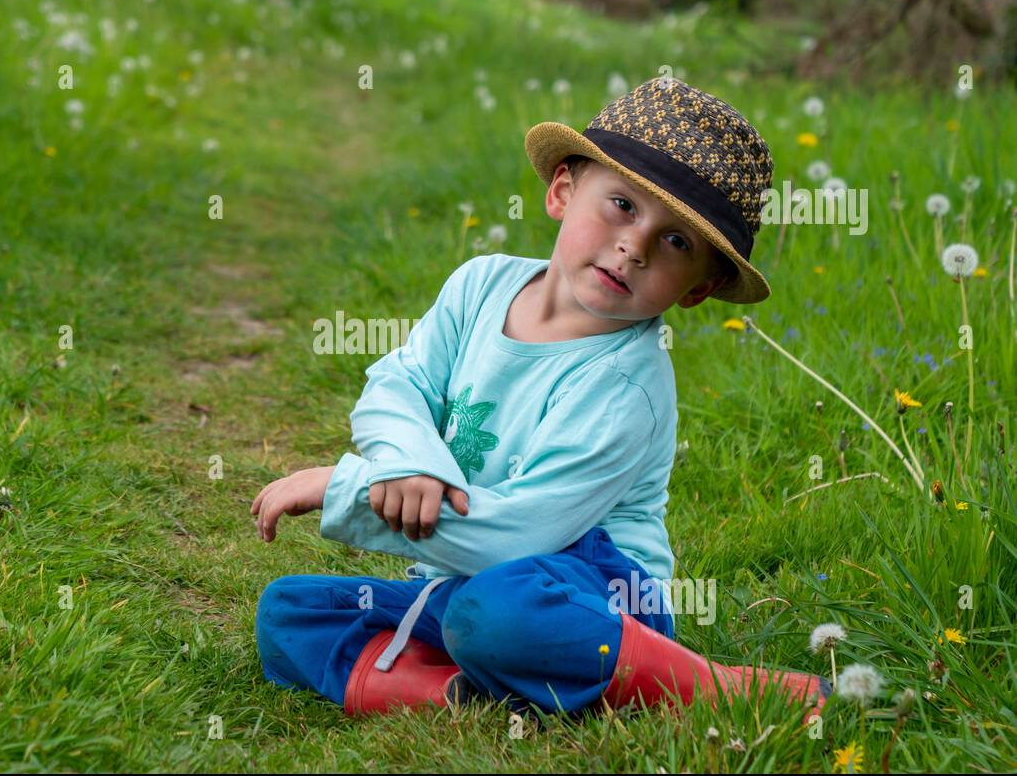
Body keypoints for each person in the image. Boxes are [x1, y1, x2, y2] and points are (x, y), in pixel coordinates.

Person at [251, 76, 829, 725]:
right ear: (562, 190)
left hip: (590, 590)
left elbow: (519, 539)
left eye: (675, 243)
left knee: (500, 611)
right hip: (463, 577)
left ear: (697, 289)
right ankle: (457, 695)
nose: (633, 246)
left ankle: (716, 685)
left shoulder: (625, 388)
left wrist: (349, 490)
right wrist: (408, 461)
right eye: (621, 205)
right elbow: (399, 383)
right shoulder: (480, 285)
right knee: (289, 611)